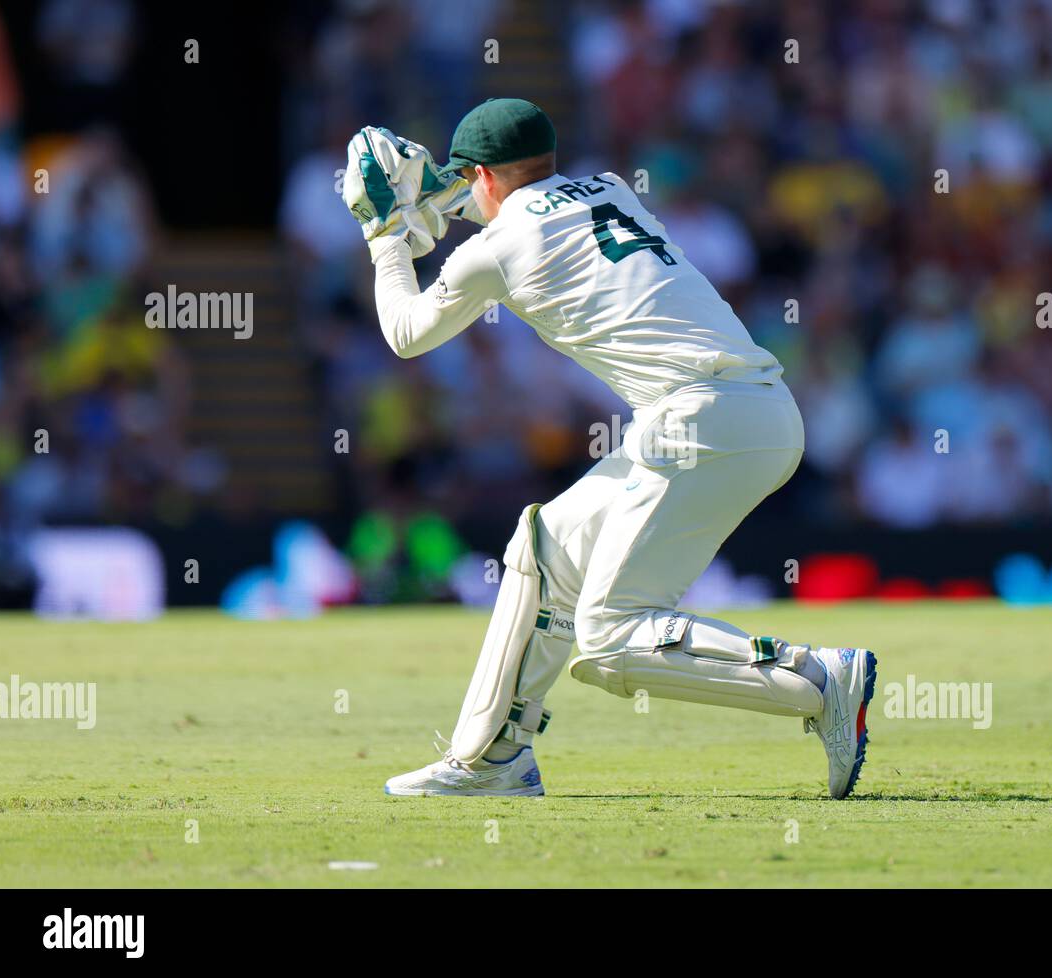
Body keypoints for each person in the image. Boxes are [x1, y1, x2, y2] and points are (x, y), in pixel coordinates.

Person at [342, 98, 877, 799]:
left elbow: (406, 333)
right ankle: (492, 758)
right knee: (549, 547)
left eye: (469, 179)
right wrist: (447, 195)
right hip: (755, 411)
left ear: (483, 175)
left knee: (608, 635)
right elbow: (516, 210)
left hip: (700, 420)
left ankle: (818, 680)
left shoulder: (496, 248)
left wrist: (386, 232)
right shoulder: (611, 188)